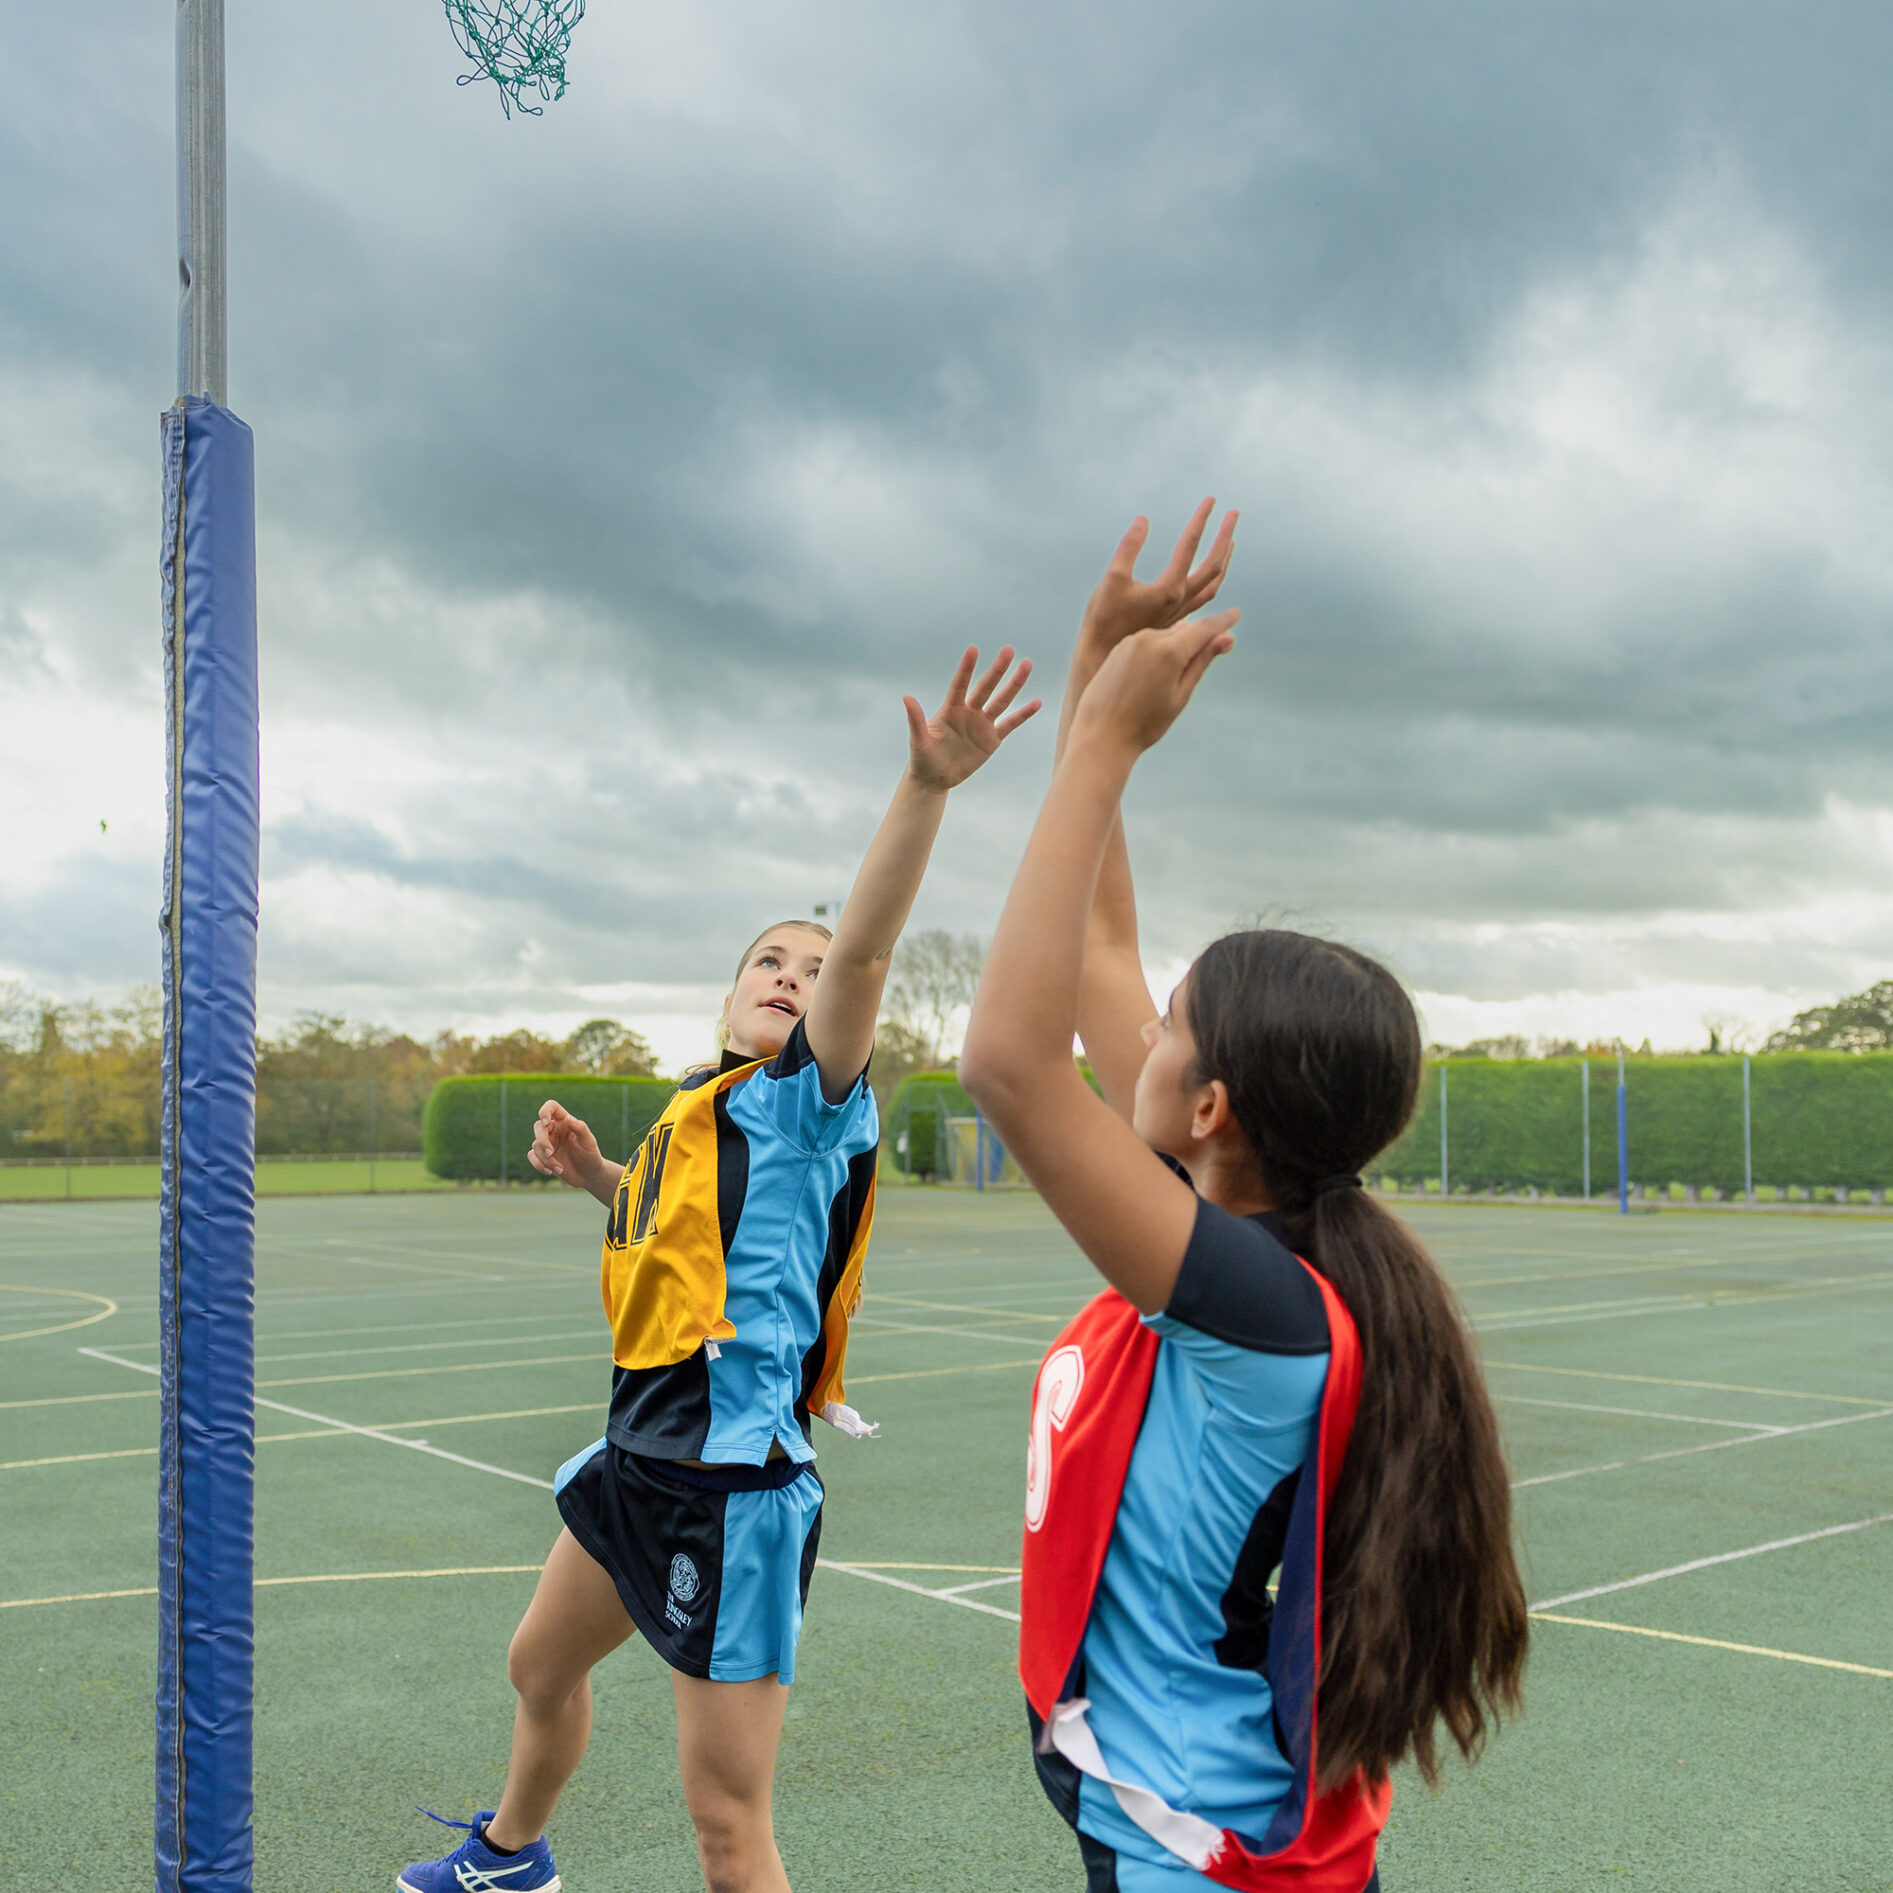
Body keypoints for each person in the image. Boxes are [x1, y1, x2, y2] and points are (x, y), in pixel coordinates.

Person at [396, 645, 1040, 1893]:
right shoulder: (705, 1107)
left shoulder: (807, 1101)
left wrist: (926, 787)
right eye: (770, 963)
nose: (796, 976)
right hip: (638, 1461)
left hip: (729, 1489)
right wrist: (598, 1178)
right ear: (728, 996)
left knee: (725, 1820)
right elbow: (683, 1252)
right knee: (540, 1664)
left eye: (811, 968)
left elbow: (860, 959)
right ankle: (513, 1857)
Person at [959, 506, 1527, 1892]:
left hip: (1199, 1859)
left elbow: (1008, 1063)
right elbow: (1094, 932)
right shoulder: (1227, 1234)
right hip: (1181, 1830)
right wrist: (1094, 672)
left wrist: (1105, 741)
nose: (1136, 1031)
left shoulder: (1262, 1311)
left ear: (1210, 1109)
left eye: (1164, 1031)